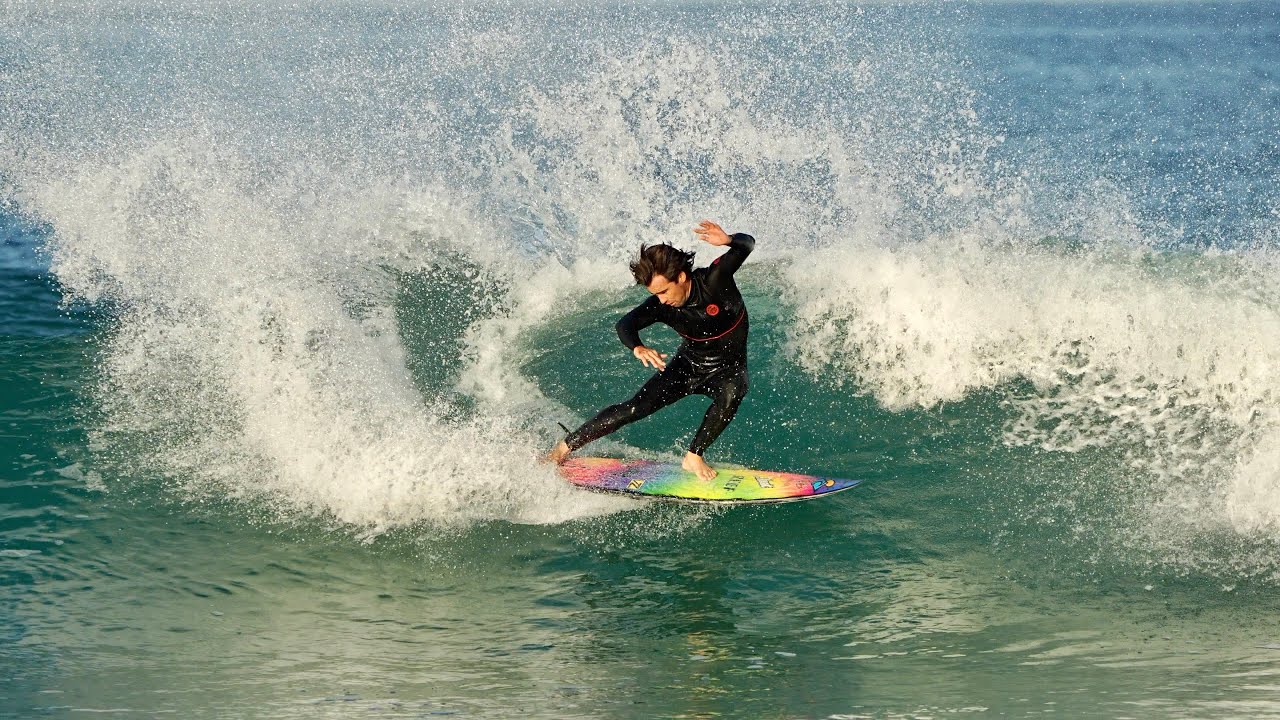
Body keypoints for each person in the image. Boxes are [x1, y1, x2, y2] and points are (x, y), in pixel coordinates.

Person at [545, 219, 754, 480]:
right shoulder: (661, 305)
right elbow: (626, 324)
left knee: (734, 390)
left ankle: (694, 456)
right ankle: (564, 448)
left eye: (664, 291)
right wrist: (638, 347)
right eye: (656, 294)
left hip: (727, 368)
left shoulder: (714, 279)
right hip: (688, 365)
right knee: (634, 408)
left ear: (681, 277)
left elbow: (747, 245)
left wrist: (729, 240)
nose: (662, 300)